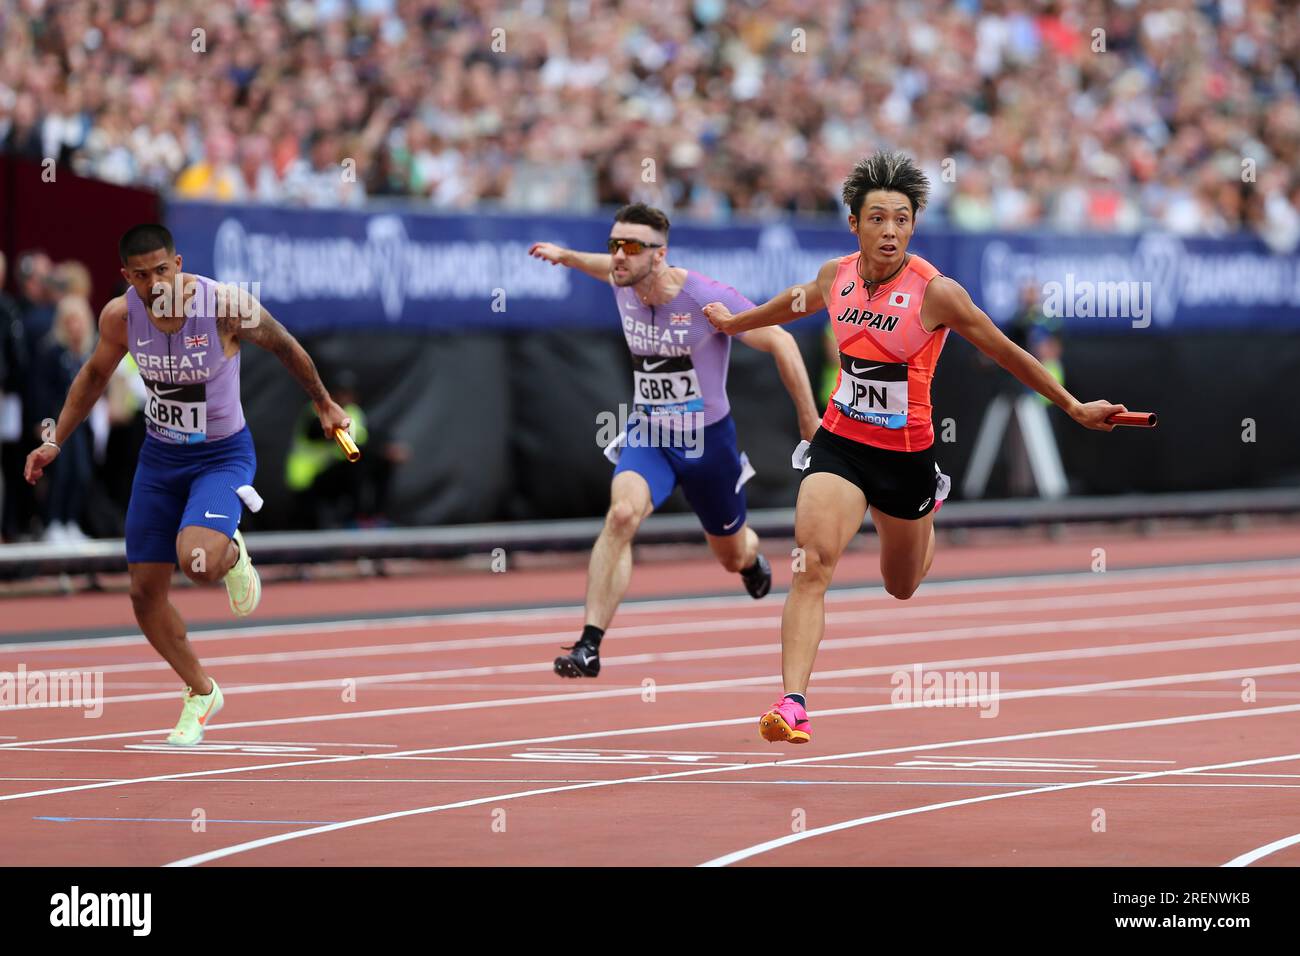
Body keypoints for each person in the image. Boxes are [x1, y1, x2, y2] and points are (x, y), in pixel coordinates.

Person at [703, 151, 1128, 744]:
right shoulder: (837, 276)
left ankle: (926, 517)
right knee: (812, 565)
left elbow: (1007, 352)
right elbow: (795, 302)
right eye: (877, 218)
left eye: (902, 220)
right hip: (842, 442)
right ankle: (792, 701)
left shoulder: (937, 293)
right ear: (855, 223)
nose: (890, 231)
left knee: (900, 584)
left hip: (907, 459)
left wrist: (1074, 405)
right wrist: (735, 324)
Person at [24, 224, 350, 744]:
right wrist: (55, 440)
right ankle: (201, 691)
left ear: (178, 265)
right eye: (143, 275)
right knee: (142, 593)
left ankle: (233, 553)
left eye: (163, 269)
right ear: (126, 277)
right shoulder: (119, 317)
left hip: (221, 456)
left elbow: (286, 346)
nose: (156, 282)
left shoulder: (225, 306)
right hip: (160, 460)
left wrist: (325, 403)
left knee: (196, 563)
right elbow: (92, 378)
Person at [529, 203, 821, 678]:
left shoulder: (704, 296)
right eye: (613, 245)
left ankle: (749, 558)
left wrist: (810, 423)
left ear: (659, 255)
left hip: (708, 443)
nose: (617, 257)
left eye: (630, 247)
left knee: (729, 553)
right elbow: (600, 264)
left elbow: (782, 342)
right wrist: (564, 255)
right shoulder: (622, 277)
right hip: (650, 432)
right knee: (621, 514)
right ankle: (589, 644)